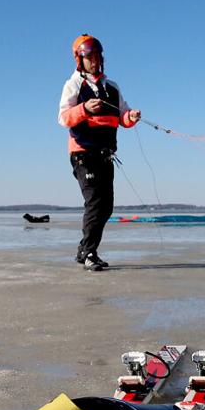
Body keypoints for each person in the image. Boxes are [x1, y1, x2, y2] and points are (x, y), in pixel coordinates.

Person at [58, 34, 141, 271]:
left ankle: (84, 249)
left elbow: (122, 116)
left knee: (106, 206)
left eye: (97, 56)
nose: (94, 61)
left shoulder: (112, 88)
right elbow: (63, 117)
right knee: (95, 203)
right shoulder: (73, 85)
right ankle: (89, 253)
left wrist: (131, 117)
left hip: (106, 154)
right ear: (79, 59)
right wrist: (84, 108)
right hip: (83, 153)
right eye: (89, 57)